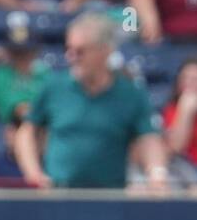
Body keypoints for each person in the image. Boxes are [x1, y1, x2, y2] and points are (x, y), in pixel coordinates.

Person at [16, 13, 169, 189]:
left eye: (80, 51)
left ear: (105, 51)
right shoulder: (54, 86)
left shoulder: (130, 93)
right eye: (68, 49)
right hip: (59, 194)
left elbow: (148, 137)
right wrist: (33, 173)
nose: (70, 56)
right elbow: (27, 131)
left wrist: (157, 174)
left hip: (110, 196)